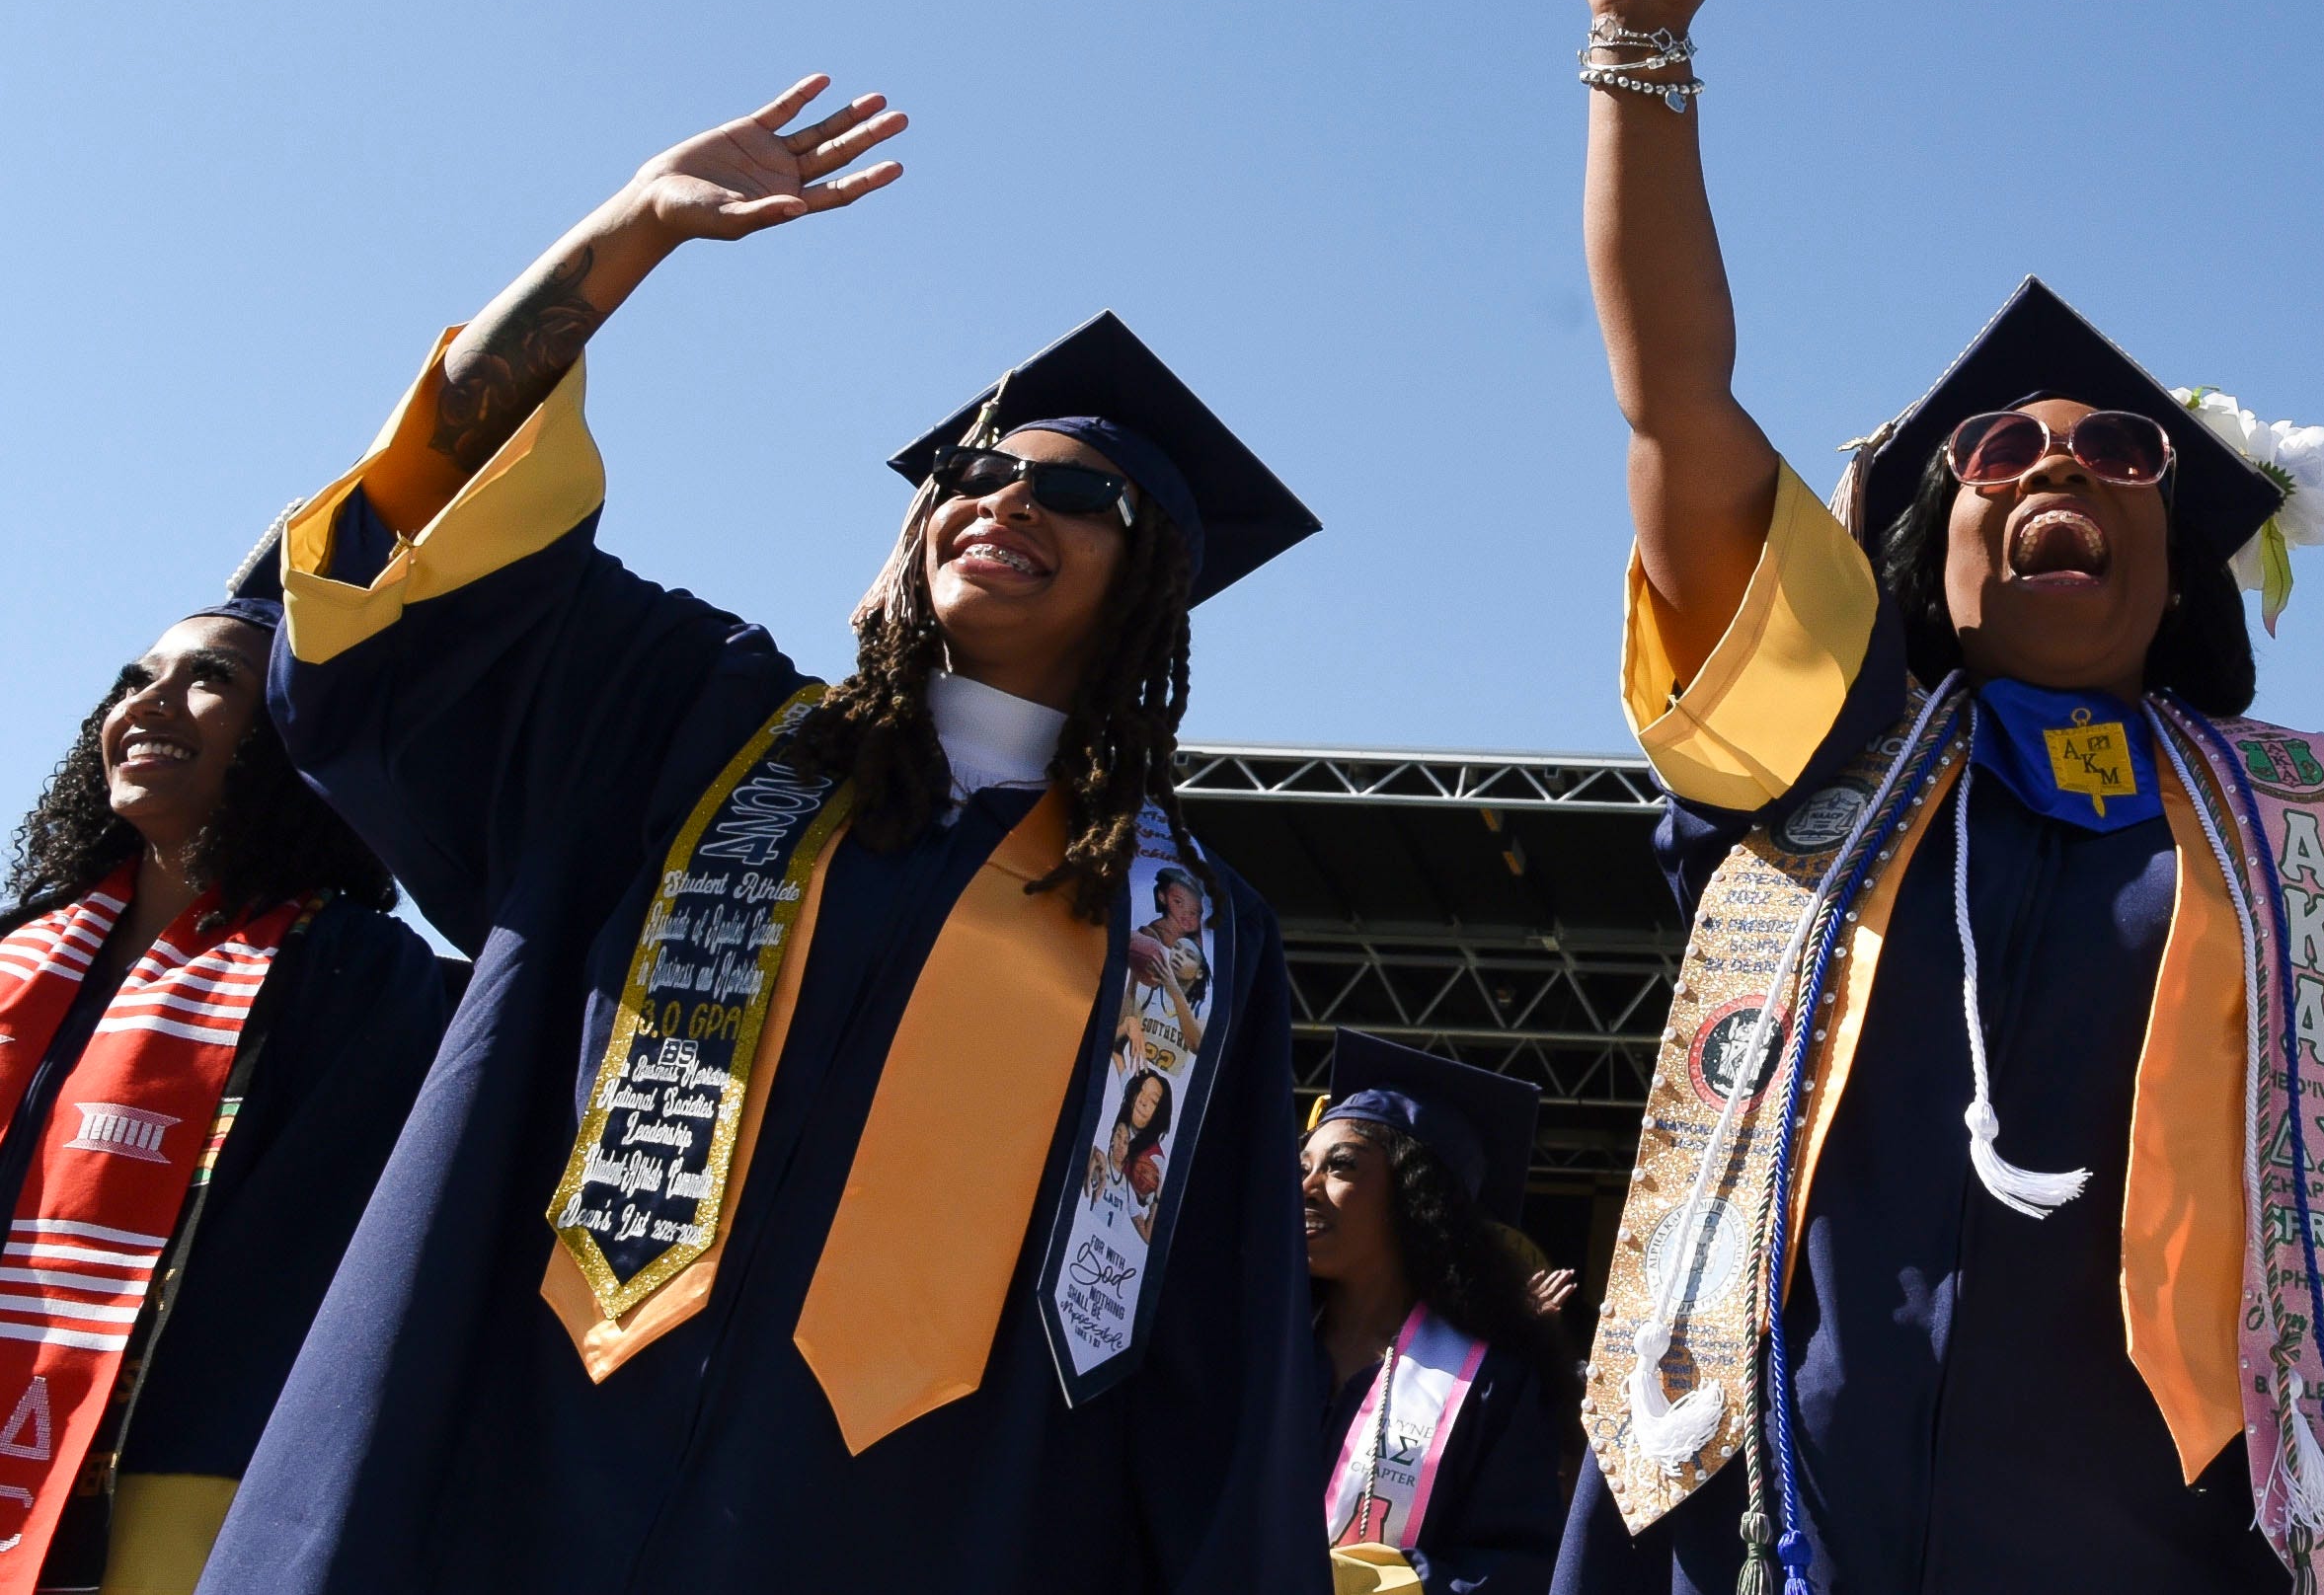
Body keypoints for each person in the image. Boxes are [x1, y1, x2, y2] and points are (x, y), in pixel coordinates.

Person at [204, 82, 1336, 1594]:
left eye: (1077, 493)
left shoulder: (1181, 934)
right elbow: (414, 562)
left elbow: (1216, 1357)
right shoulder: (690, 719)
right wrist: (627, 234)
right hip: (501, 1470)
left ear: (1157, 582)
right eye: (976, 470)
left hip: (901, 1540)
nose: (1005, 499)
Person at [1547, 0, 2324, 1595]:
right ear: (1919, 551)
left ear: (2179, 571)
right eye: (1998, 451)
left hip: (2167, 1541)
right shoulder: (1831, 751)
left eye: (2122, 454)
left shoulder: (2296, 815)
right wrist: (1638, 52)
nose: (2060, 465)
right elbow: (1677, 409)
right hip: (1793, 1517)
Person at [0, 598, 451, 1594]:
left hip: (169, 1478)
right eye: (136, 679)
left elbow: (332, 1246)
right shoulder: (18, 959)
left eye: (210, 679)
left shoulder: (353, 970)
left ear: (289, 735)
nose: (150, 701)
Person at [1308, 1031, 1584, 1595]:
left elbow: (1517, 1569)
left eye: (1340, 1166)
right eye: (1303, 1164)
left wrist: (1375, 1582)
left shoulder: (1490, 1382)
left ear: (1416, 1196)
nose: (1307, 1187)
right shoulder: (1257, 1346)